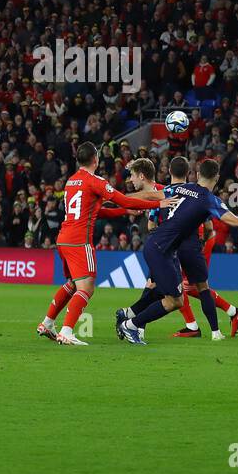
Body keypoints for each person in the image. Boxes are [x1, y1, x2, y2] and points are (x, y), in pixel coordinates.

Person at [117, 158, 238, 345]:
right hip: (160, 250)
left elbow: (150, 195)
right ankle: (131, 325)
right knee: (174, 299)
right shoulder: (209, 200)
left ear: (198, 175)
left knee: (174, 297)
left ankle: (132, 320)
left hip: (161, 248)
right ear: (217, 178)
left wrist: (118, 198)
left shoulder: (181, 189)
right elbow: (236, 221)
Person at [38, 142, 172, 346]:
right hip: (79, 241)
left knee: (73, 284)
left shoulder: (71, 181)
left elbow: (97, 211)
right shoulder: (95, 181)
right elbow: (123, 200)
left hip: (64, 238)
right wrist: (157, 203)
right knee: (87, 287)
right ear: (95, 159)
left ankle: (47, 323)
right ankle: (66, 331)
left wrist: (123, 212)